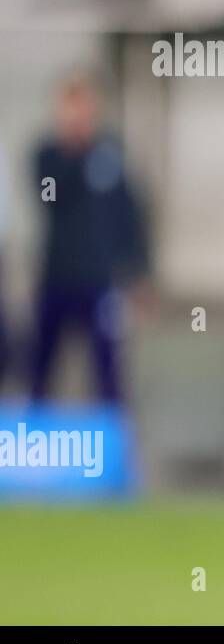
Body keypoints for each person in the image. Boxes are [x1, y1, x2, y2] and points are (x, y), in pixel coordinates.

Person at [30, 73, 150, 404]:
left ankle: (113, 442)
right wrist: (75, 151)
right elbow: (49, 199)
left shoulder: (111, 154)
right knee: (41, 367)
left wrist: (139, 271)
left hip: (99, 280)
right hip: (56, 278)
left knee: (107, 370)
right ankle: (35, 437)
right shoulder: (47, 155)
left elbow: (130, 213)